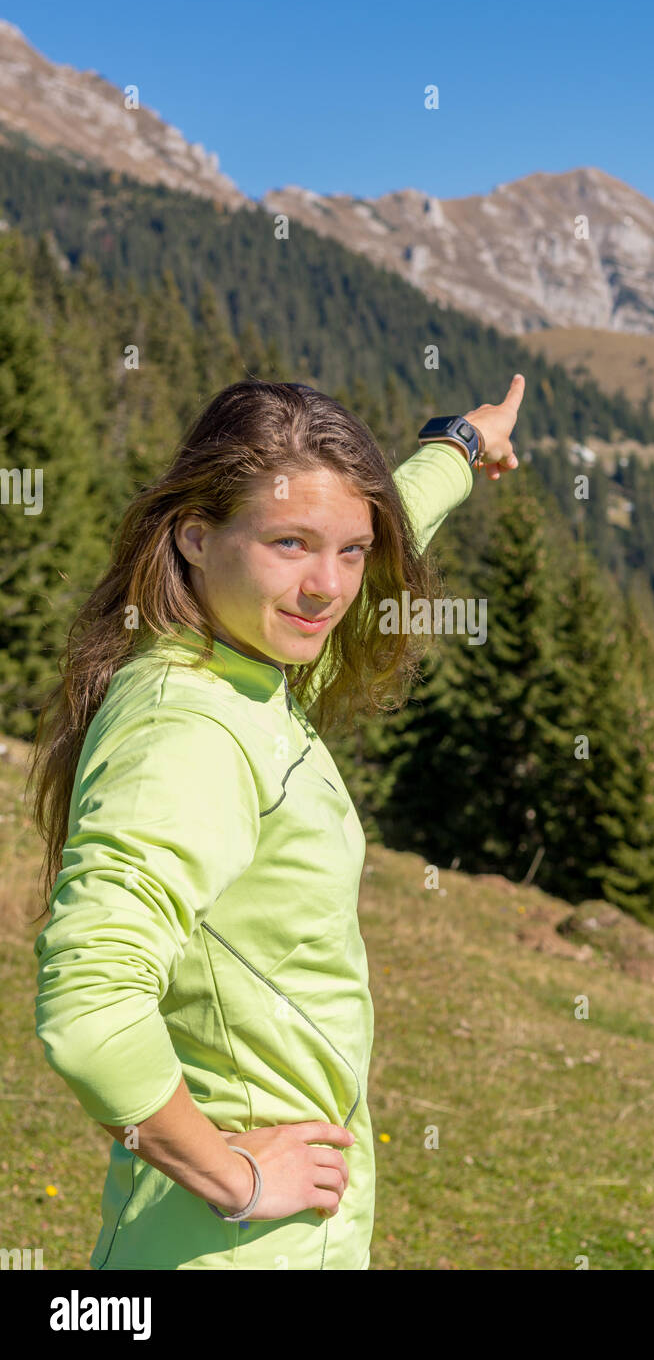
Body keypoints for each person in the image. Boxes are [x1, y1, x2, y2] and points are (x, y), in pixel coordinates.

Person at [29, 374, 523, 1270]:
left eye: (352, 551)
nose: (326, 588)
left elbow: (377, 519)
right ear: (194, 536)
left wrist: (457, 446)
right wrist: (234, 1180)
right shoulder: (190, 726)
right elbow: (90, 1003)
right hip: (229, 1242)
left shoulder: (252, 667)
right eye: (289, 544)